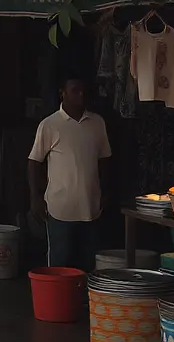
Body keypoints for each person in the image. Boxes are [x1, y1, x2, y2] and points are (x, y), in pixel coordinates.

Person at [29, 76, 113, 270]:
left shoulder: (97, 123)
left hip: (90, 207)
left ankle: (83, 301)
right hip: (60, 208)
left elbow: (104, 159)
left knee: (88, 263)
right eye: (75, 90)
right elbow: (34, 162)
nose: (80, 95)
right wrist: (35, 197)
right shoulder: (50, 125)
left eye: (83, 91)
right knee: (60, 263)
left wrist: (106, 190)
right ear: (63, 93)